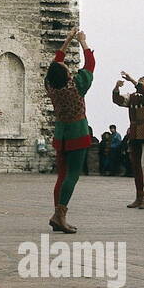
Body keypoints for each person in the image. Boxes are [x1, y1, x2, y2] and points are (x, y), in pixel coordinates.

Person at [43, 30, 93, 234]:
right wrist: (83, 42)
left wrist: (67, 41)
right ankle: (60, 214)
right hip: (77, 134)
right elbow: (90, 65)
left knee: (61, 176)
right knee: (72, 175)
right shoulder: (76, 86)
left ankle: (57, 213)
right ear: (66, 74)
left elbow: (54, 65)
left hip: (61, 133)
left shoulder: (51, 86)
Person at [113, 71, 144, 209]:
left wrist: (133, 80)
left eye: (143, 80)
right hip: (135, 133)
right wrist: (116, 87)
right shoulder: (132, 97)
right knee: (137, 167)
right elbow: (118, 100)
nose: (141, 82)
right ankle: (139, 197)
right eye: (140, 80)